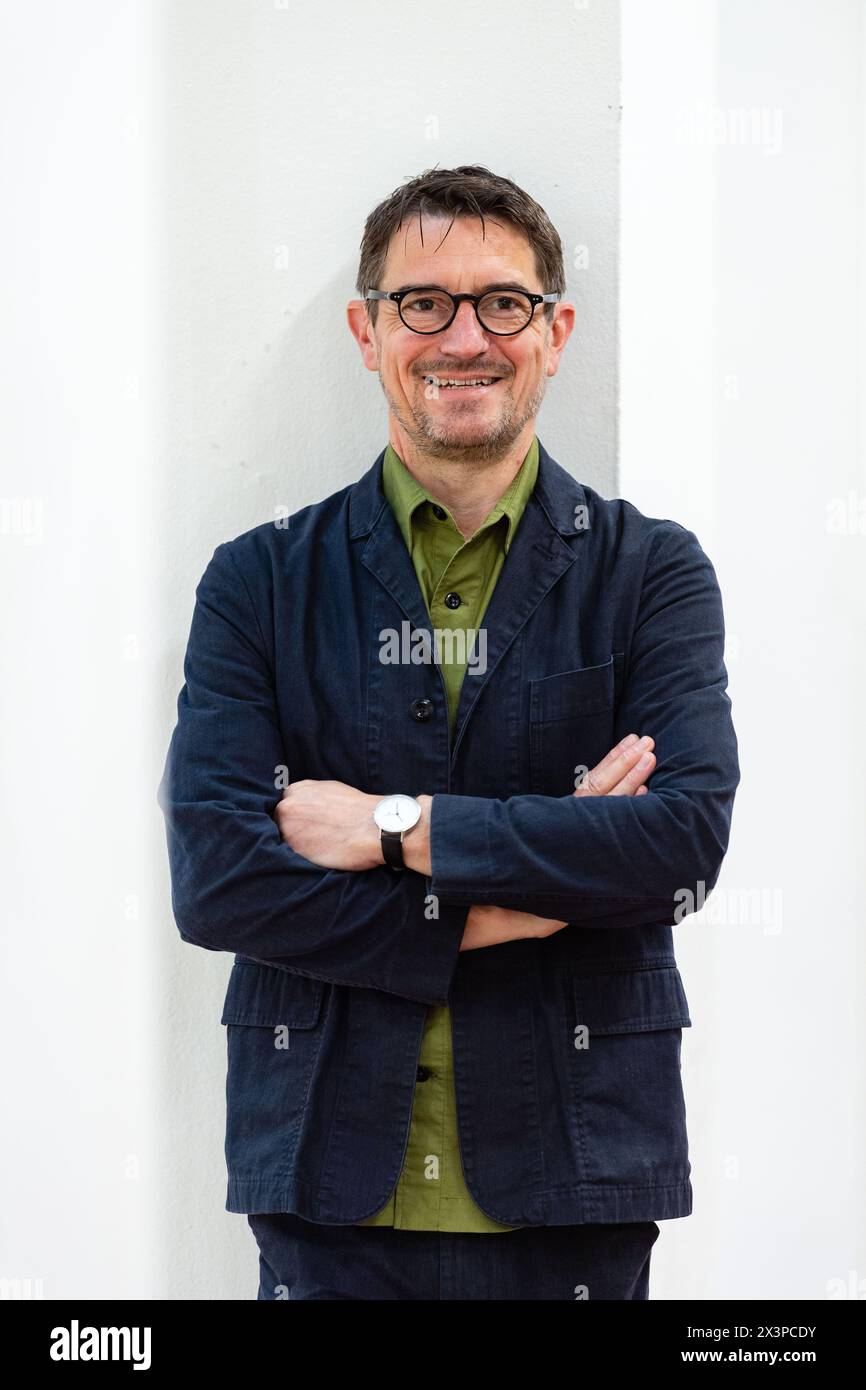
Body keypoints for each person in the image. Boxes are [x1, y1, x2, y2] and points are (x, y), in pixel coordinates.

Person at [158, 164, 740, 1300]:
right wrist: (512, 903)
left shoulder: (650, 574)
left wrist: (387, 825)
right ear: (367, 330)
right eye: (422, 302)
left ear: (555, 330)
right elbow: (220, 882)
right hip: (327, 1189)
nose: (461, 336)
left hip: (576, 1182)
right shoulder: (259, 581)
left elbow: (676, 848)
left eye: (501, 303)